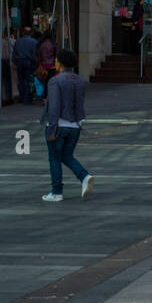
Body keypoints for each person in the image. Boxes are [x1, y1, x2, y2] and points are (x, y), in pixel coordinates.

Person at [40, 48, 92, 202]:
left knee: (54, 158)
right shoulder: (80, 80)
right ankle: (84, 176)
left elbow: (54, 107)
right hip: (75, 125)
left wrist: (51, 129)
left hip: (59, 125)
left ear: (60, 63)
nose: (55, 63)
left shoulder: (55, 81)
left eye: (56, 60)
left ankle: (56, 192)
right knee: (67, 155)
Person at [12, 26, 38, 104]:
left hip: (20, 62)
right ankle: (27, 98)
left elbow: (14, 53)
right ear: (31, 33)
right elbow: (35, 54)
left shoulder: (18, 41)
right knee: (29, 80)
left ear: (23, 33)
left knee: (20, 80)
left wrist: (14, 62)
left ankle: (22, 97)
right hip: (29, 62)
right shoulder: (34, 42)